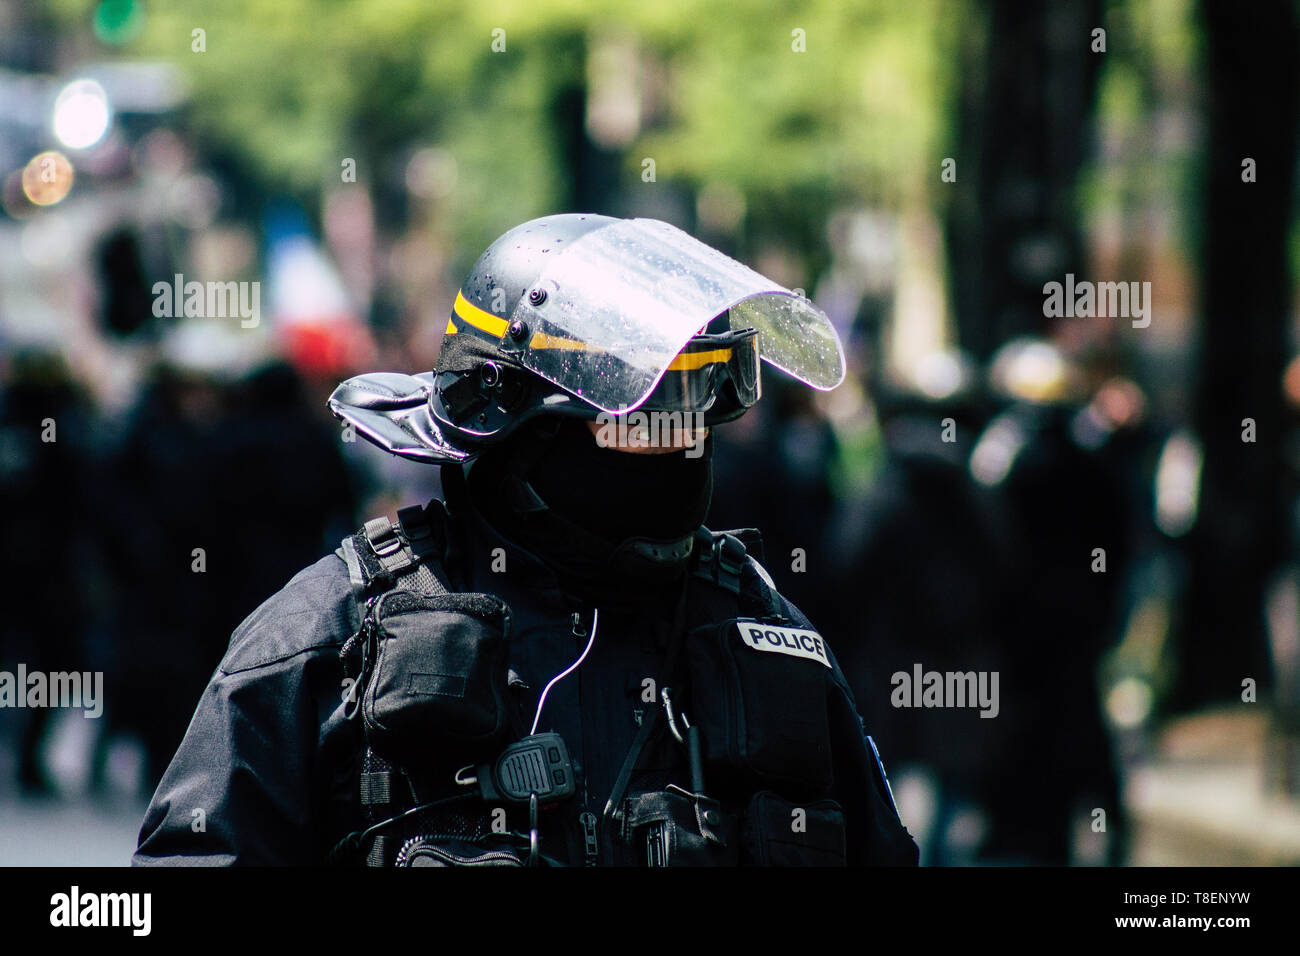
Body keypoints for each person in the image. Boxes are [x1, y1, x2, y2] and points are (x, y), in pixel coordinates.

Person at [132, 213, 919, 866]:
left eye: (692, 421)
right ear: (510, 422)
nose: (674, 453)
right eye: (637, 425)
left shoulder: (765, 636)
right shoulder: (330, 635)